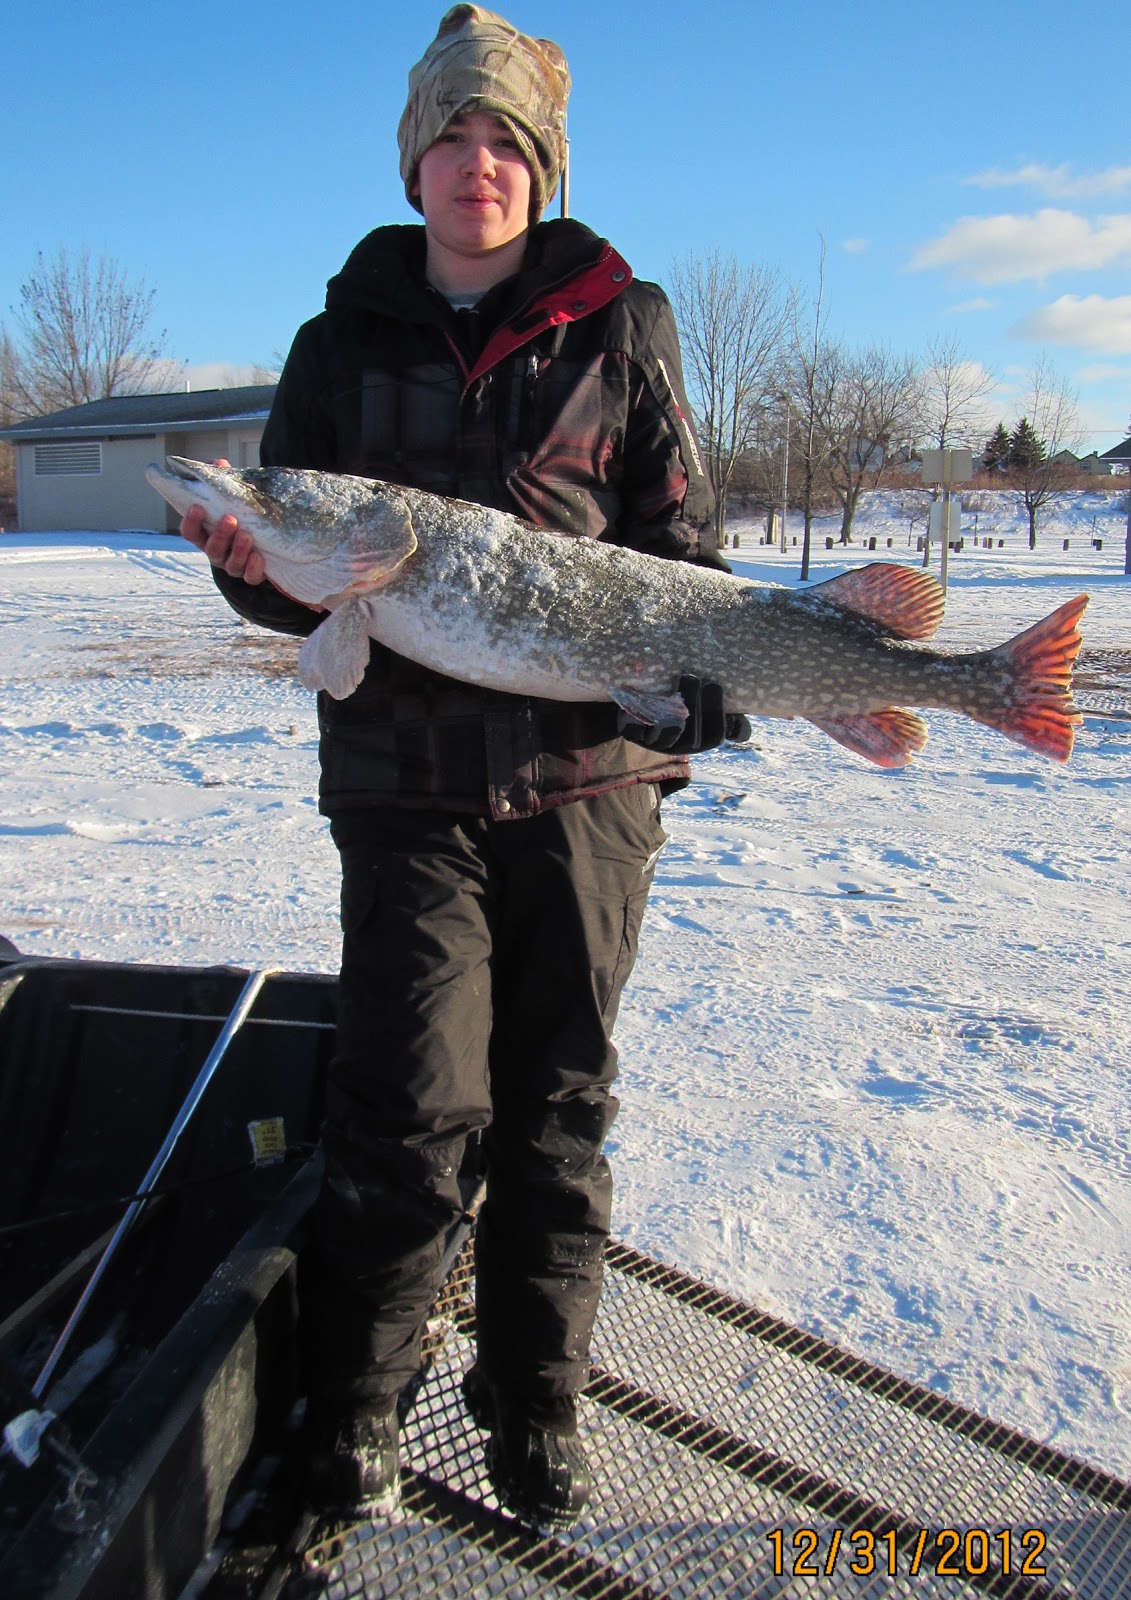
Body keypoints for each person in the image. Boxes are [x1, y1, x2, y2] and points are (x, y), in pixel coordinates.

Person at [180, 4, 745, 1534]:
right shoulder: (334, 341)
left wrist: (697, 690)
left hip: (585, 786)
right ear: (413, 159)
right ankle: (358, 1414)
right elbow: (289, 565)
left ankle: (533, 1395)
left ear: (540, 168)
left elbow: (679, 555)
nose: (476, 164)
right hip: (402, 784)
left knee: (556, 1102)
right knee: (410, 1101)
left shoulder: (623, 324)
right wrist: (246, 560)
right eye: (452, 135)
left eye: (506, 141)